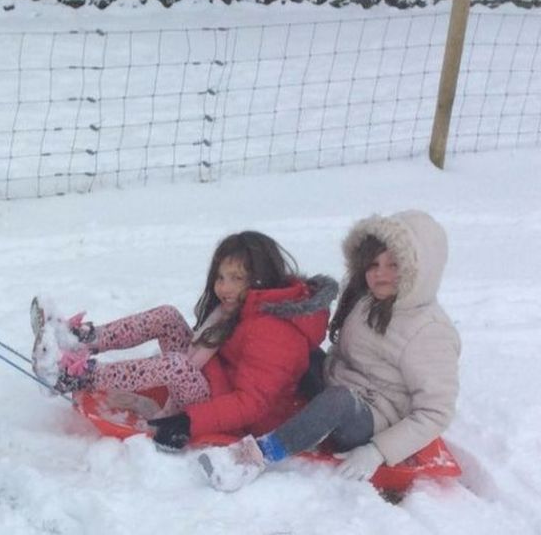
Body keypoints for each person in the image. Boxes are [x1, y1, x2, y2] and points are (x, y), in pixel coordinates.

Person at [196, 211, 461, 492]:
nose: (380, 274)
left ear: (418, 271)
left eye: (394, 265)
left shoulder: (429, 331)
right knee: (298, 353)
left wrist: (378, 451)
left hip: (373, 420)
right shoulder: (367, 300)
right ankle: (243, 400)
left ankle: (254, 457)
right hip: (338, 388)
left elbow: (436, 412)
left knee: (338, 400)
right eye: (373, 264)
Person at [32, 231, 338, 448]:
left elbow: (252, 405)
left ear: (261, 279)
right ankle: (78, 341)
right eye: (221, 277)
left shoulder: (274, 331)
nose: (224, 288)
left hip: (240, 419)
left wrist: (189, 422)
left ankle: (77, 376)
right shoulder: (248, 306)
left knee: (176, 367)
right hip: (218, 383)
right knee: (167, 316)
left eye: (237, 278)